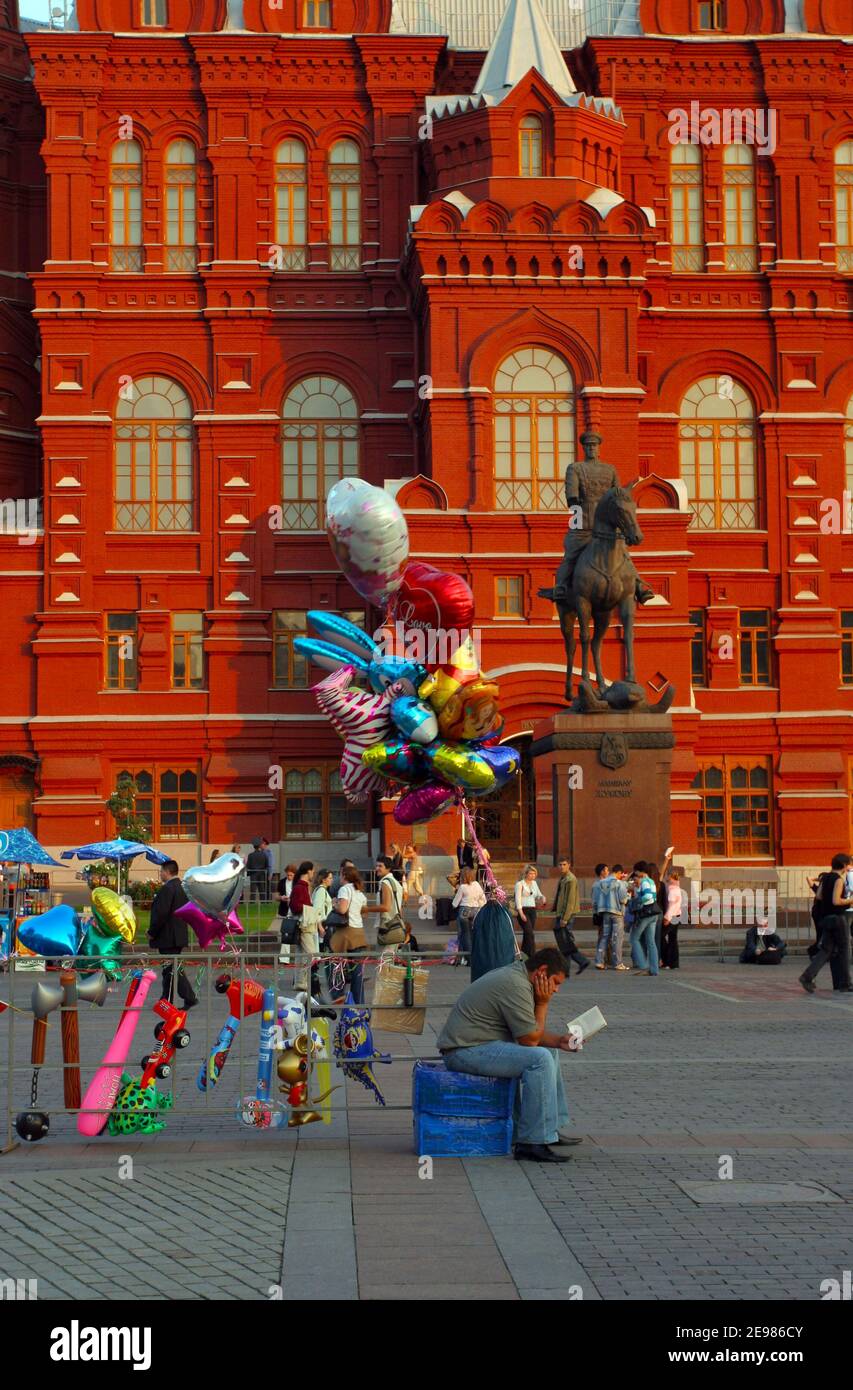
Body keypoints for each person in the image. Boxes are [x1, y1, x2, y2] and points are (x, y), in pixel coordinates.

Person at [438, 947, 581, 1164]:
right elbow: (530, 1040)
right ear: (541, 971)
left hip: (479, 1046)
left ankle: (548, 1129)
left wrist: (560, 1041)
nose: (556, 990)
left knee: (549, 1052)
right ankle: (531, 1143)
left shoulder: (519, 977)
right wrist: (542, 1004)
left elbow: (528, 1033)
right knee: (540, 1059)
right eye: (556, 982)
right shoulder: (515, 984)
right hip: (464, 1051)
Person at [148, 859, 198, 1009]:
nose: (160, 874)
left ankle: (185, 997)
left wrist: (152, 932)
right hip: (178, 934)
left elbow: (161, 914)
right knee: (172, 969)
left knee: (171, 969)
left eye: (162, 871)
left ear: (167, 872)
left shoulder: (168, 889)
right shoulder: (182, 887)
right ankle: (169, 998)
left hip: (167, 936)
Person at [800, 853, 853, 994]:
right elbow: (836, 901)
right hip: (838, 918)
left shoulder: (826, 877)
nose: (849, 867)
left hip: (826, 918)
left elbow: (819, 896)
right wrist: (850, 900)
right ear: (843, 865)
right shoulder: (838, 880)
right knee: (844, 950)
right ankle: (845, 983)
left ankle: (807, 976)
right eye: (848, 864)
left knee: (827, 950)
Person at [329, 865, 369, 1004]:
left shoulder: (344, 889)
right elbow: (365, 913)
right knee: (357, 969)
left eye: (340, 875)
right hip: (359, 931)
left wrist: (335, 903)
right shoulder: (359, 892)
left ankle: (337, 992)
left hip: (347, 931)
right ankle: (358, 1001)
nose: (339, 877)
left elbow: (342, 909)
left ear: (344, 875)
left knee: (334, 958)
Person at [551, 858, 590, 975]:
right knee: (564, 941)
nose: (562, 867)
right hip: (562, 913)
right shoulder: (564, 878)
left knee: (565, 941)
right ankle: (568, 968)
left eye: (564, 864)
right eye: (560, 864)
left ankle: (581, 961)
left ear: (569, 865)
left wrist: (565, 918)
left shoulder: (570, 879)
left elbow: (570, 901)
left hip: (566, 914)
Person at [593, 863, 630, 971]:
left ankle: (599, 961)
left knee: (604, 937)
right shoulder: (619, 883)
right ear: (618, 873)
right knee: (617, 939)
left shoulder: (600, 883)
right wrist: (628, 897)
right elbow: (623, 899)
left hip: (605, 913)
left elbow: (595, 900)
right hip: (617, 913)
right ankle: (617, 963)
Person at [629, 861, 660, 976]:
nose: (635, 874)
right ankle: (654, 969)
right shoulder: (651, 881)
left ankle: (643, 965)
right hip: (653, 914)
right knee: (651, 942)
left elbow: (647, 897)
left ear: (640, 871)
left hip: (646, 914)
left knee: (634, 938)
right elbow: (653, 896)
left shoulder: (645, 882)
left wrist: (636, 901)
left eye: (636, 871)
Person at [452, 867, 486, 966]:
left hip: (465, 910)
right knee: (473, 934)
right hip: (475, 910)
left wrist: (453, 905)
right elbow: (483, 898)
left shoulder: (462, 887)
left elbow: (455, 903)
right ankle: (476, 957)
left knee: (465, 934)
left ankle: (469, 959)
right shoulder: (477, 885)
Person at [514, 864, 546, 959]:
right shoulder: (520, 884)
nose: (533, 875)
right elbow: (517, 899)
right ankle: (533, 955)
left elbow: (538, 895)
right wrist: (521, 913)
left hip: (532, 910)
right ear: (526, 874)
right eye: (531, 873)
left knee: (528, 933)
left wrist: (543, 897)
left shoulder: (534, 883)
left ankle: (524, 954)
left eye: (534, 873)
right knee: (530, 933)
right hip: (523, 910)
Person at [374, 854, 406, 946]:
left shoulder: (385, 883)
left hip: (386, 925)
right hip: (396, 925)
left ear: (388, 868)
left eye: (380, 866)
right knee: (390, 956)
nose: (377, 868)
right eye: (376, 866)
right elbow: (399, 907)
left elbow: (386, 907)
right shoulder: (396, 883)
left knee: (384, 957)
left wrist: (366, 909)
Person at [660, 866, 683, 970]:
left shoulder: (672, 889)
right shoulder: (676, 887)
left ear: (670, 876)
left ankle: (667, 961)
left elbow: (672, 905)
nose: (665, 877)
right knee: (673, 939)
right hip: (677, 915)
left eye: (666, 875)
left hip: (672, 916)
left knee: (661, 936)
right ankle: (674, 963)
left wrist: (667, 918)